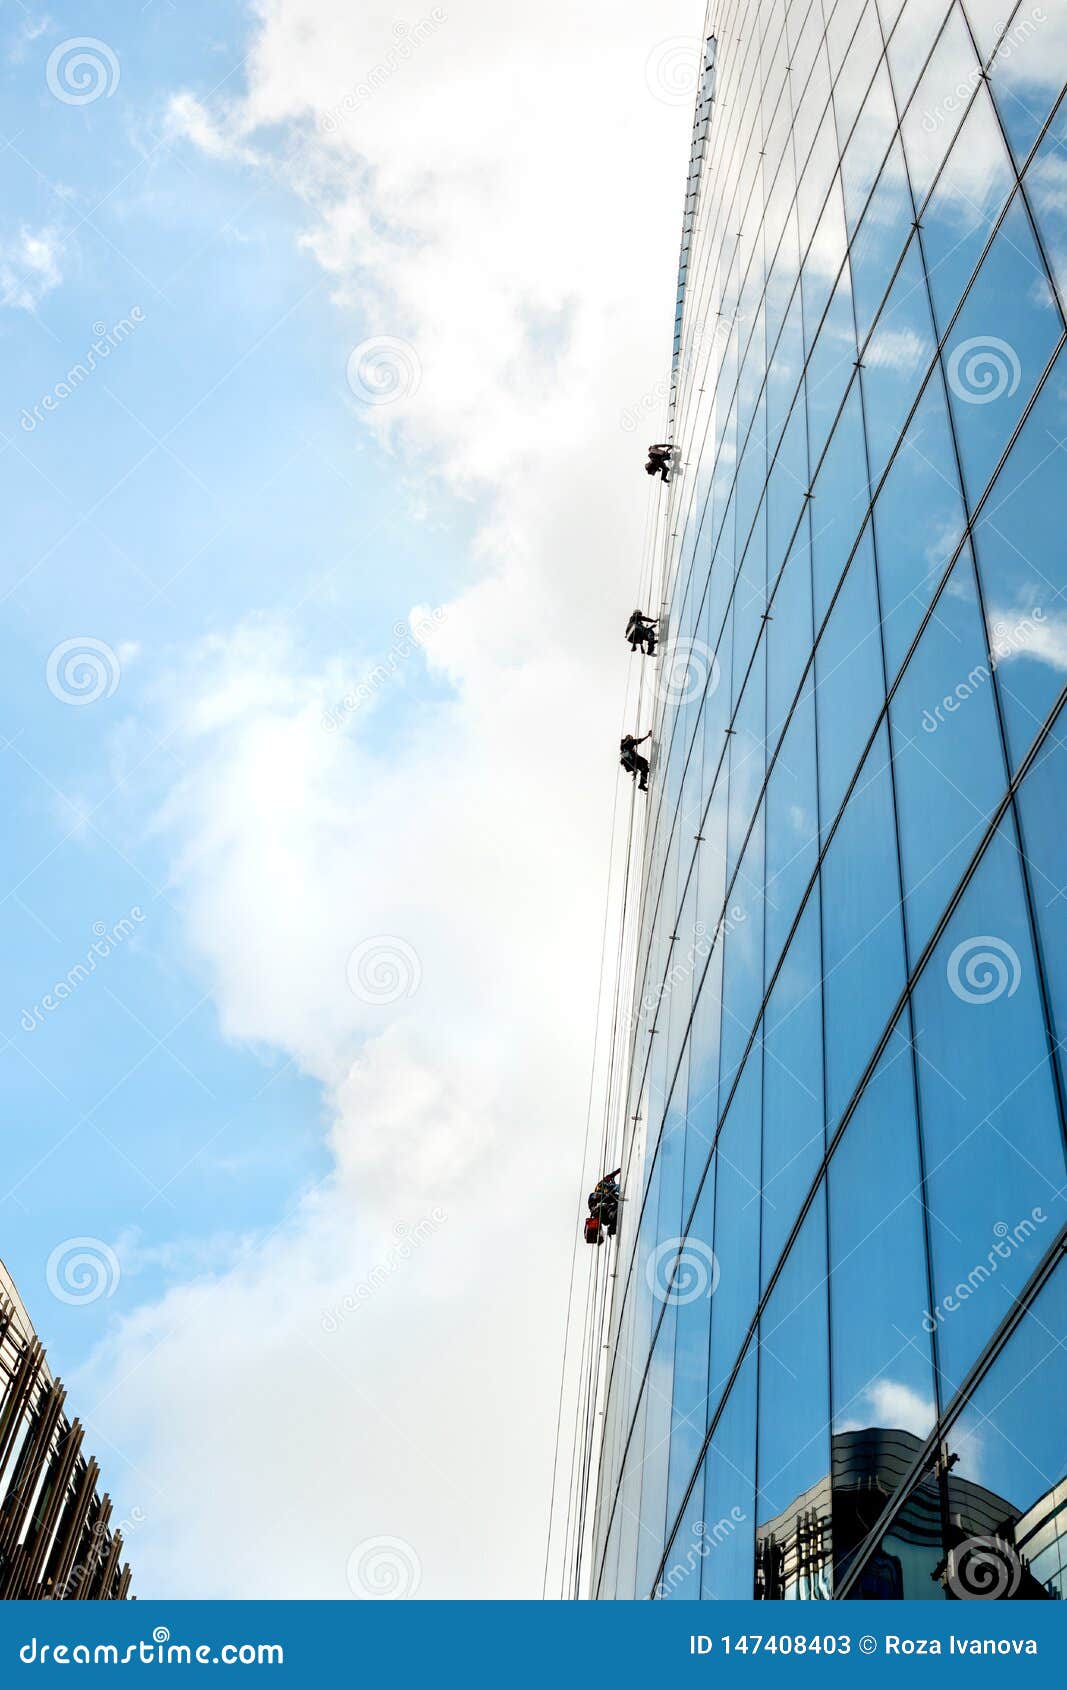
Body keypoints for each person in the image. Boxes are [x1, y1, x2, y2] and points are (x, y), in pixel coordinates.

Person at [585, 1169, 622, 1245]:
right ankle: (612, 1221)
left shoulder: (604, 1185)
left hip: (604, 1216)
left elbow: (611, 1175)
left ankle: (612, 1227)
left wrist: (620, 1170)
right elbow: (606, 1196)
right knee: (613, 1208)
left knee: (614, 1214)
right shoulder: (595, 1193)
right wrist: (619, 1195)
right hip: (601, 1212)